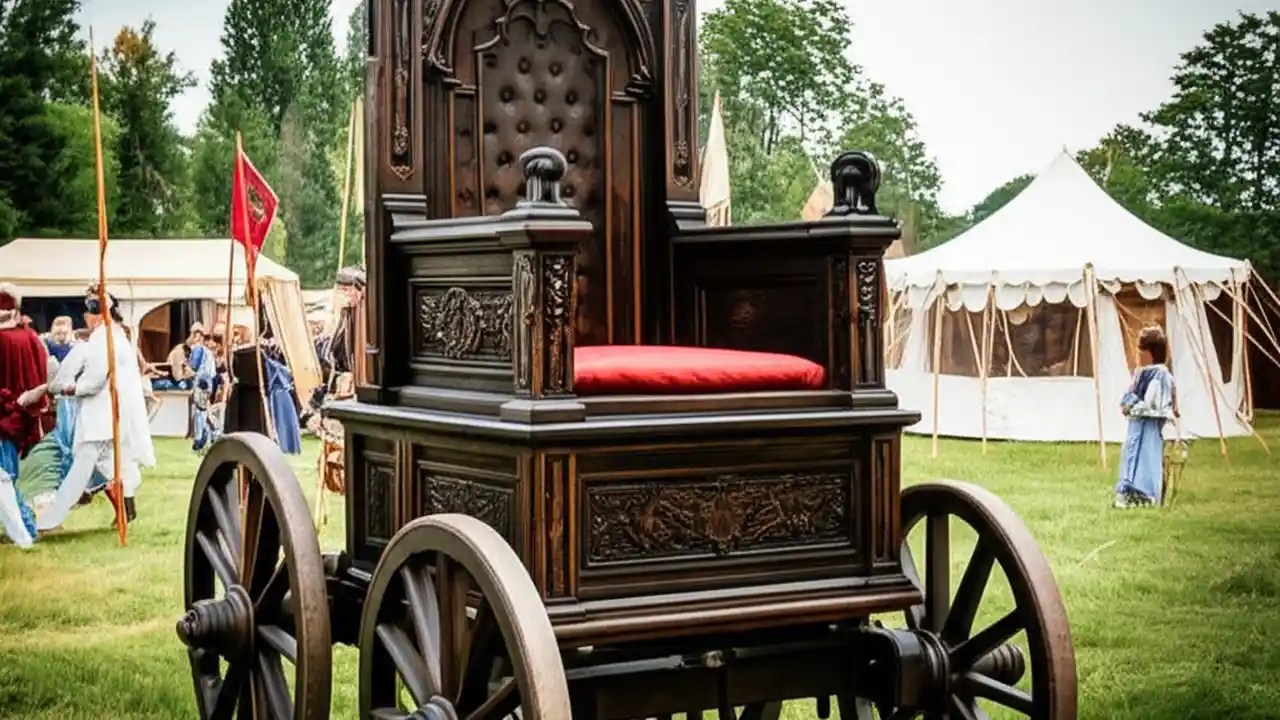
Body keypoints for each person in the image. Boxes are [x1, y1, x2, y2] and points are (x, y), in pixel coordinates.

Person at [35, 286, 156, 531]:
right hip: (111, 414)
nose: (86, 318)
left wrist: (66, 389)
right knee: (113, 466)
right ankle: (126, 508)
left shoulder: (106, 342)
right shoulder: (117, 337)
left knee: (81, 471)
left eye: (88, 313)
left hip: (101, 415)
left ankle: (50, 520)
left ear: (97, 314)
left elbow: (93, 382)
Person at [0, 284, 49, 548]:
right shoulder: (31, 337)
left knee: (4, 478)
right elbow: (44, 376)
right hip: (23, 416)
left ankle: (25, 531)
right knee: (8, 476)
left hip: (5, 416)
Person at [1115, 325, 1178, 509]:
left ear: (1149, 352)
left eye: (1140, 350)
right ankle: (1128, 492)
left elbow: (1154, 403)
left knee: (1146, 457)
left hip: (1149, 427)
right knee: (1131, 456)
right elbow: (1130, 396)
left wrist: (1136, 407)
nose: (1137, 354)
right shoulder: (1140, 374)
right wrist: (1128, 404)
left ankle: (1146, 493)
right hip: (1136, 426)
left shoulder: (1160, 375)